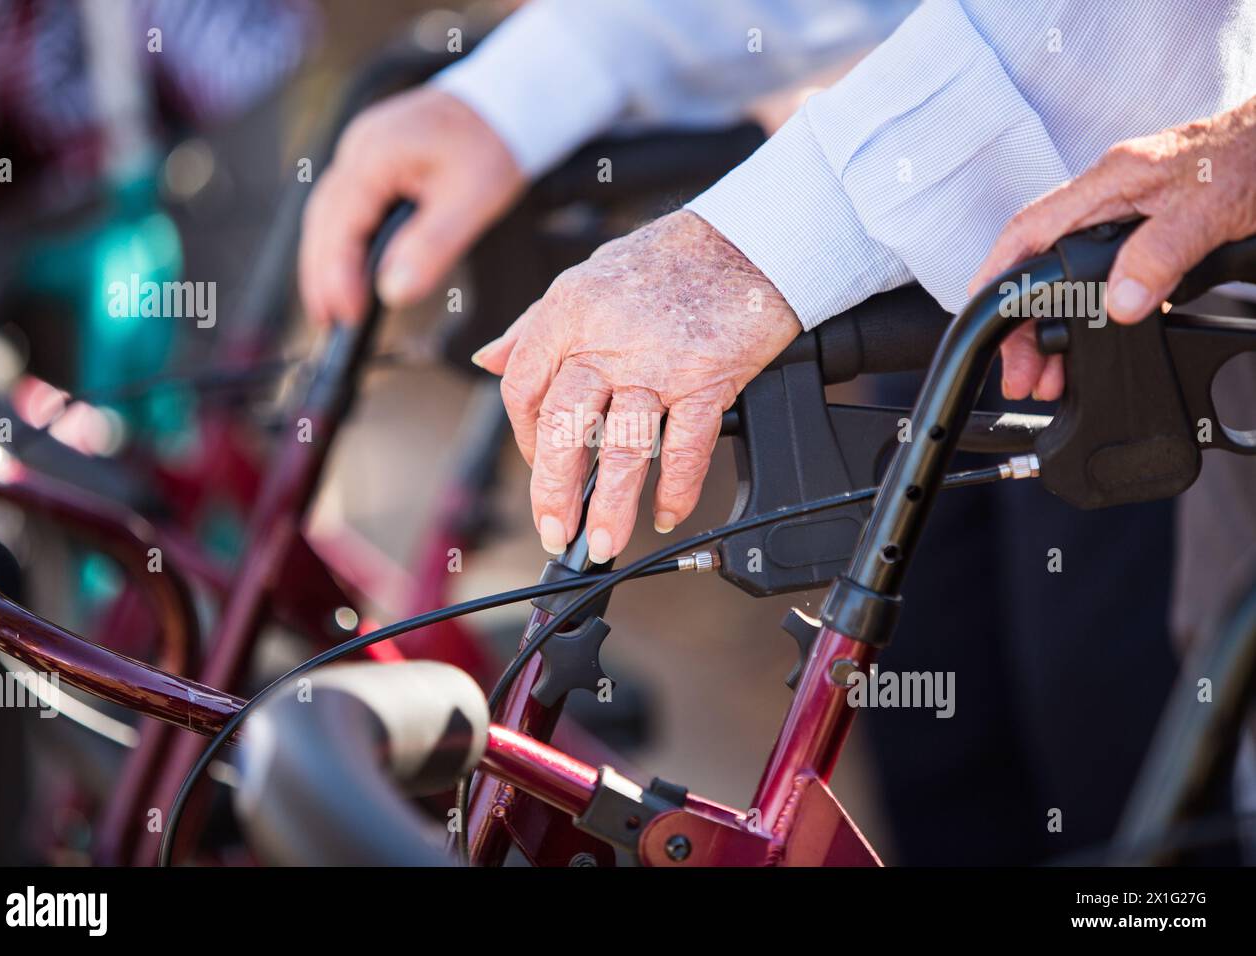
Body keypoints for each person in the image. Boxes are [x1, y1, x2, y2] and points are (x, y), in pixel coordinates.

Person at [300, 1, 1256, 862]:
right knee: (945, 754)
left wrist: (761, 243)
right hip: (975, 243)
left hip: (1153, 270)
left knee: (1119, 785)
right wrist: (528, 85)